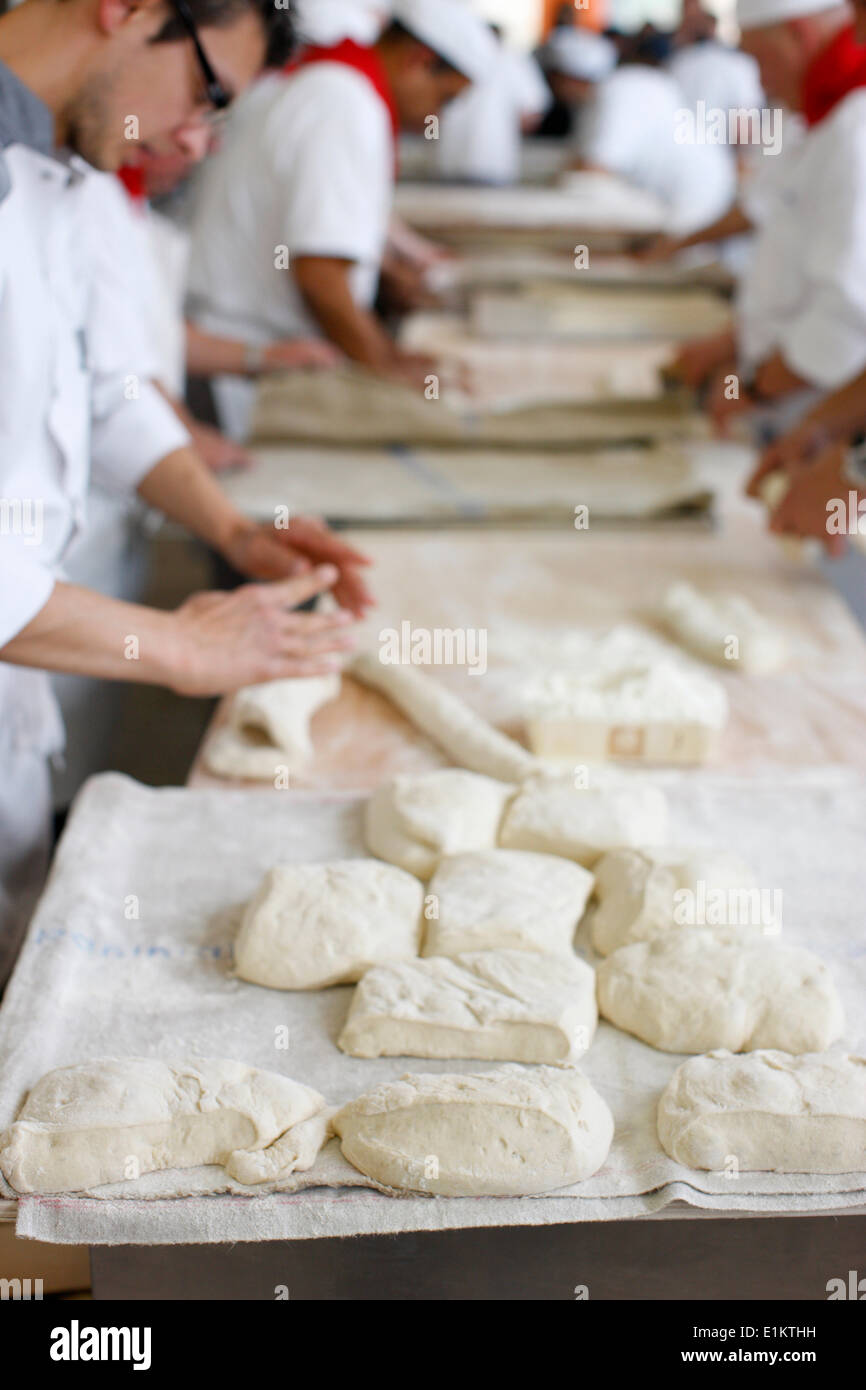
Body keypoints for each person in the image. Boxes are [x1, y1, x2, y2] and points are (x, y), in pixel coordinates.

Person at [0, 0, 373, 988]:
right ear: (126, 9)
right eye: (207, 92)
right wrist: (173, 643)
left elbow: (110, 392)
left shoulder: (61, 176)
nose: (193, 139)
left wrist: (234, 529)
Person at [186, 0, 498, 440]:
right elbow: (320, 275)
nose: (437, 118)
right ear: (418, 61)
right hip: (244, 356)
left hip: (242, 346)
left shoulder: (331, 84)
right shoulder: (345, 102)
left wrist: (386, 273)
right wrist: (385, 365)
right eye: (444, 99)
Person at [668, 0, 866, 433]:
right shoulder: (815, 121)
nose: (760, 81)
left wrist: (753, 388)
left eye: (758, 60)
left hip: (817, 417)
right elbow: (776, 232)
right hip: (786, 396)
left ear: (799, 34)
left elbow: (848, 314)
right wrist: (733, 343)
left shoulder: (856, 128)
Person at [543, 27, 736, 238]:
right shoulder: (625, 84)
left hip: (689, 202)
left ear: (568, 79)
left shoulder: (618, 93)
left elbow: (595, 168)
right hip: (698, 193)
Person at [436, 28, 551, 186]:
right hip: (494, 162)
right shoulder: (513, 61)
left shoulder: (451, 56)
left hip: (449, 161)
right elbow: (532, 114)